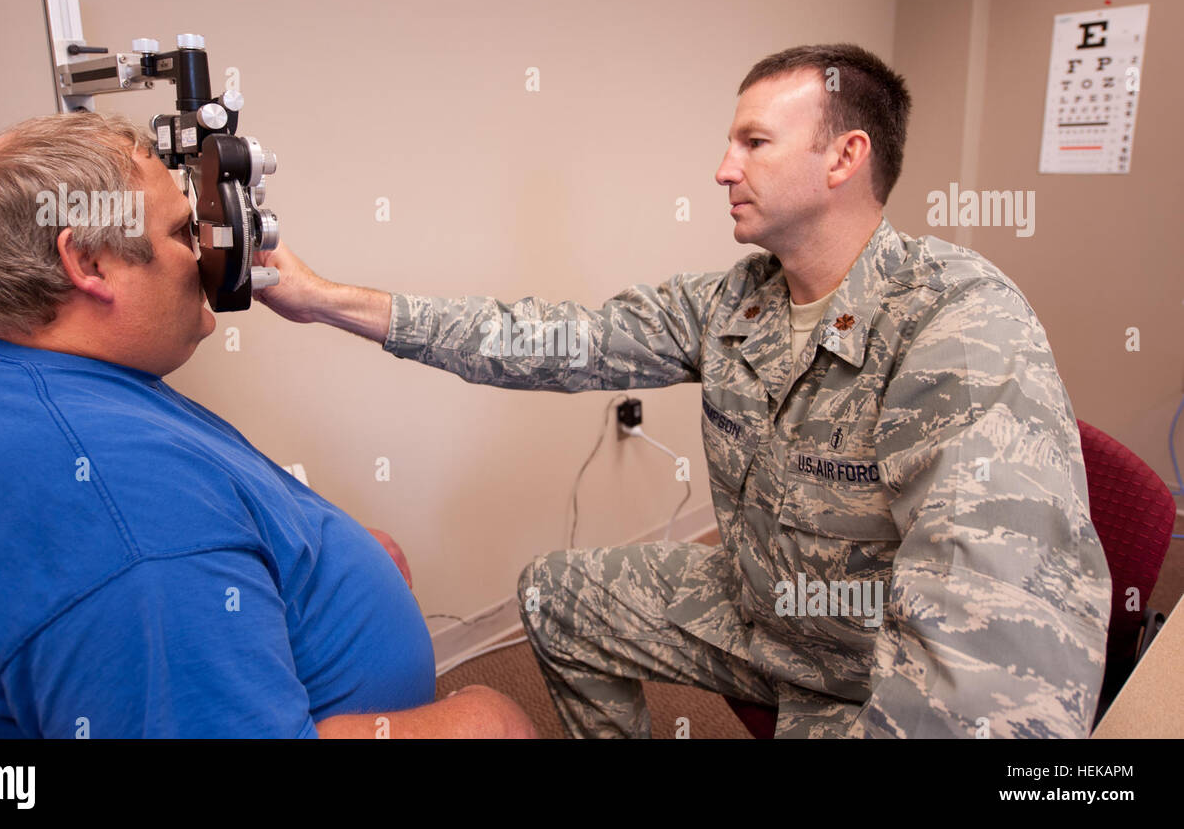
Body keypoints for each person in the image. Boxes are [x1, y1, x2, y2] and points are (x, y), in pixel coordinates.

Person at [251, 43, 1113, 738]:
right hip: (762, 612)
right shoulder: (732, 302)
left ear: (846, 157)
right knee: (555, 592)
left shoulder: (957, 321)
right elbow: (545, 339)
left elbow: (989, 658)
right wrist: (328, 300)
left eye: (753, 143)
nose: (721, 168)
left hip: (875, 662)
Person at [0, 112, 537, 739]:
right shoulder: (132, 527)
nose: (206, 256)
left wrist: (323, 563)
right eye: (180, 233)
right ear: (88, 264)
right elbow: (143, 556)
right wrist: (488, 723)